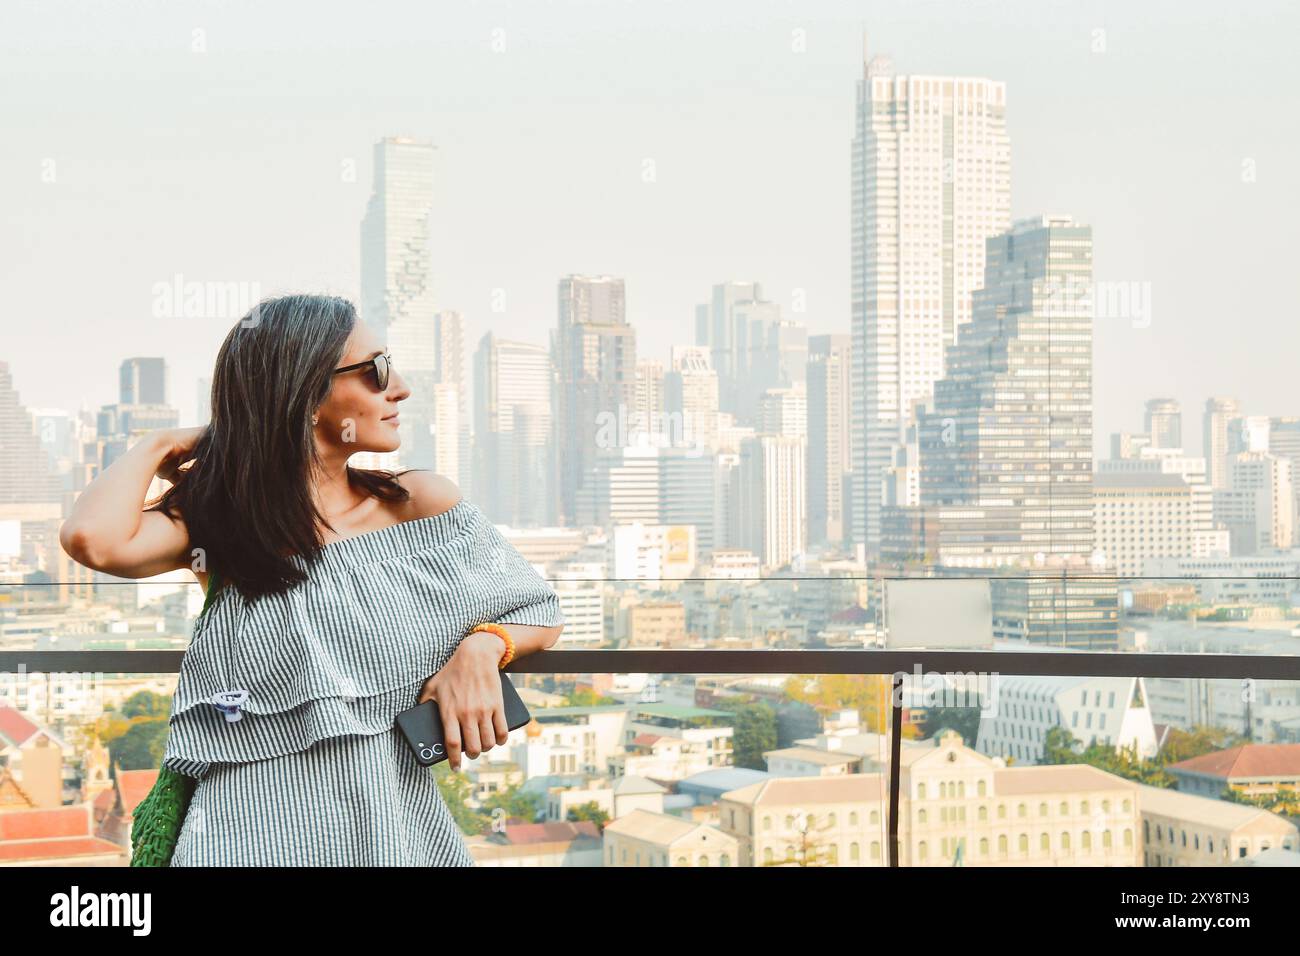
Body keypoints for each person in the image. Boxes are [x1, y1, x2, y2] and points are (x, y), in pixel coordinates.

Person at [59, 293, 565, 865]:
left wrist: (480, 649)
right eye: (375, 370)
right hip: (238, 839)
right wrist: (161, 442)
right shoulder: (223, 523)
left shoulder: (420, 504)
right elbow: (91, 540)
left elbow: (538, 609)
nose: (398, 386)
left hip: (395, 833)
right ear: (305, 392)